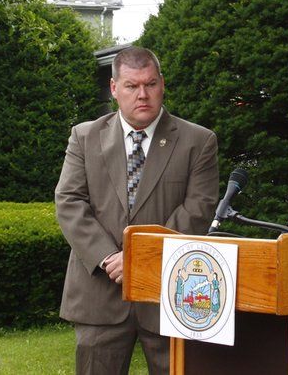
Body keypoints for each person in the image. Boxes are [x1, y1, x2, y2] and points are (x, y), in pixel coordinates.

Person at [55, 46, 219, 375]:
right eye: (131, 86)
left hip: (169, 295)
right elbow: (69, 201)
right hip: (99, 295)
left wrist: (140, 258)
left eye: (150, 84)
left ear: (162, 84)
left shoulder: (198, 141)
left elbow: (198, 208)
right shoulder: (84, 137)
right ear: (114, 88)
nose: (142, 94)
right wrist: (107, 257)